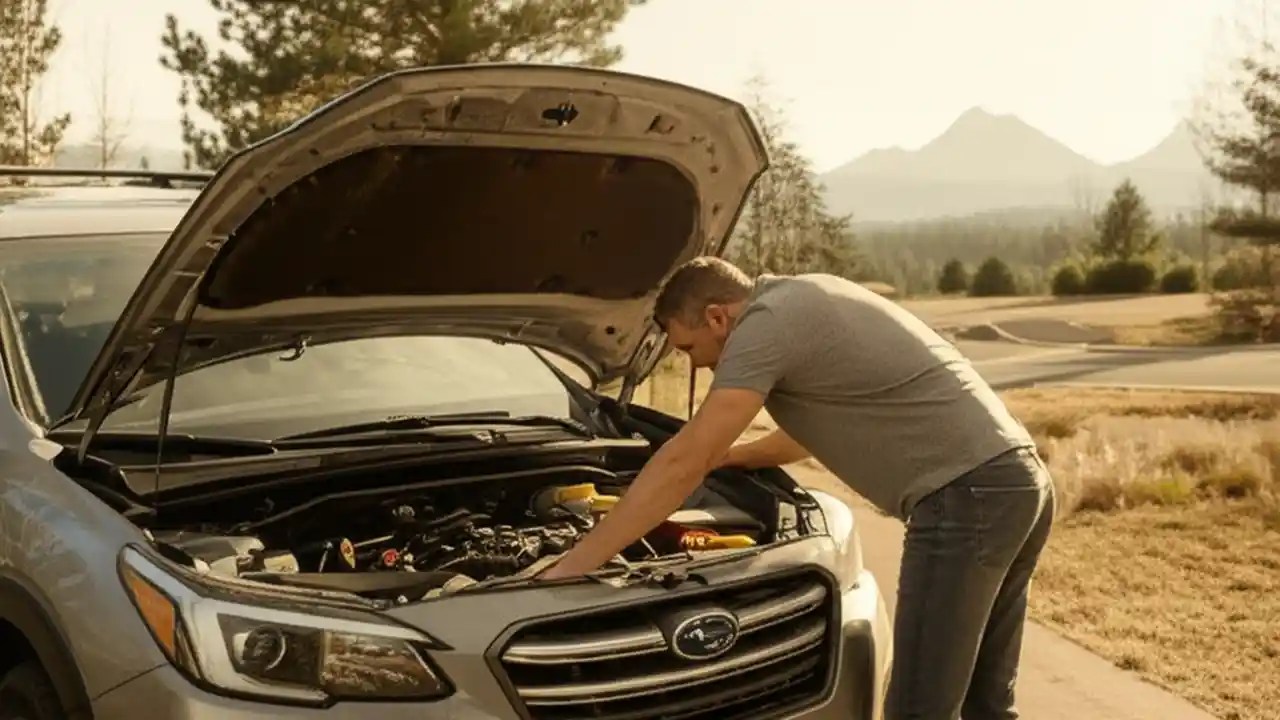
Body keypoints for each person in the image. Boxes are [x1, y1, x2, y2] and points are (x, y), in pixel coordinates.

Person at [538, 256, 1056, 720]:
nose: (695, 363)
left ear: (719, 317)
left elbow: (684, 460)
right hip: (1017, 482)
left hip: (967, 498)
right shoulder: (803, 296)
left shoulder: (766, 325)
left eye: (689, 347)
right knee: (986, 704)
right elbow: (814, 427)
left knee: (919, 707)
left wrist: (575, 565)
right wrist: (734, 460)